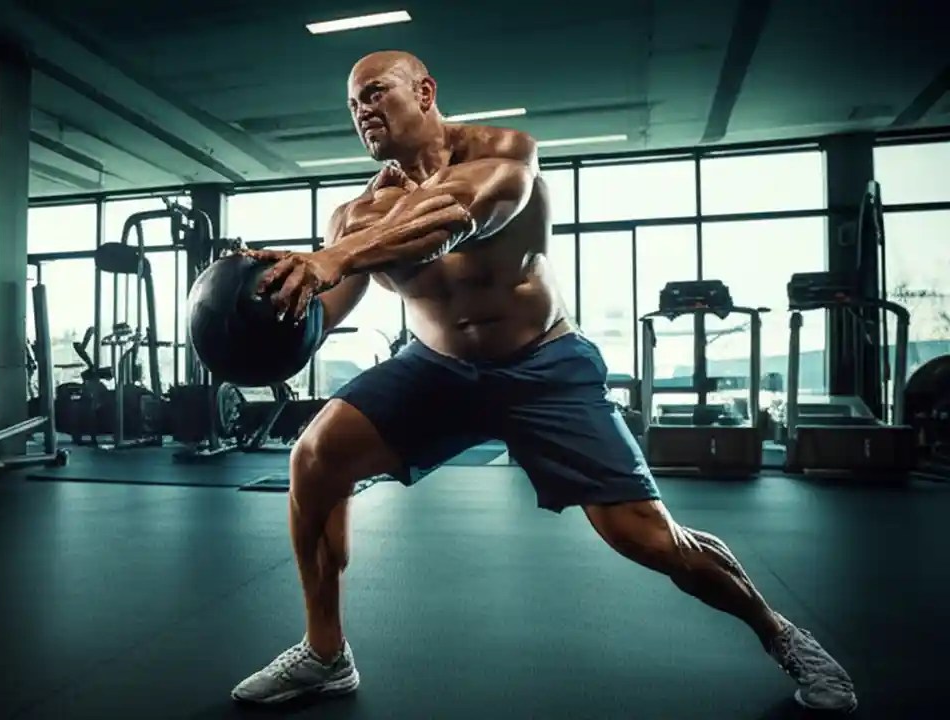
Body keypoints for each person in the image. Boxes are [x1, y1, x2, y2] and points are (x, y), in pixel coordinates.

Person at [230, 50, 857, 714]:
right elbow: (328, 306)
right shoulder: (356, 216)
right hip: (436, 370)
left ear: (425, 90)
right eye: (353, 104)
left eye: (375, 92)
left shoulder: (505, 155)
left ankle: (782, 636)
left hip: (543, 369)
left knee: (647, 537)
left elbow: (451, 220)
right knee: (316, 457)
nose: (363, 110)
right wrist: (262, 312)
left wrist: (329, 259)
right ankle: (325, 654)